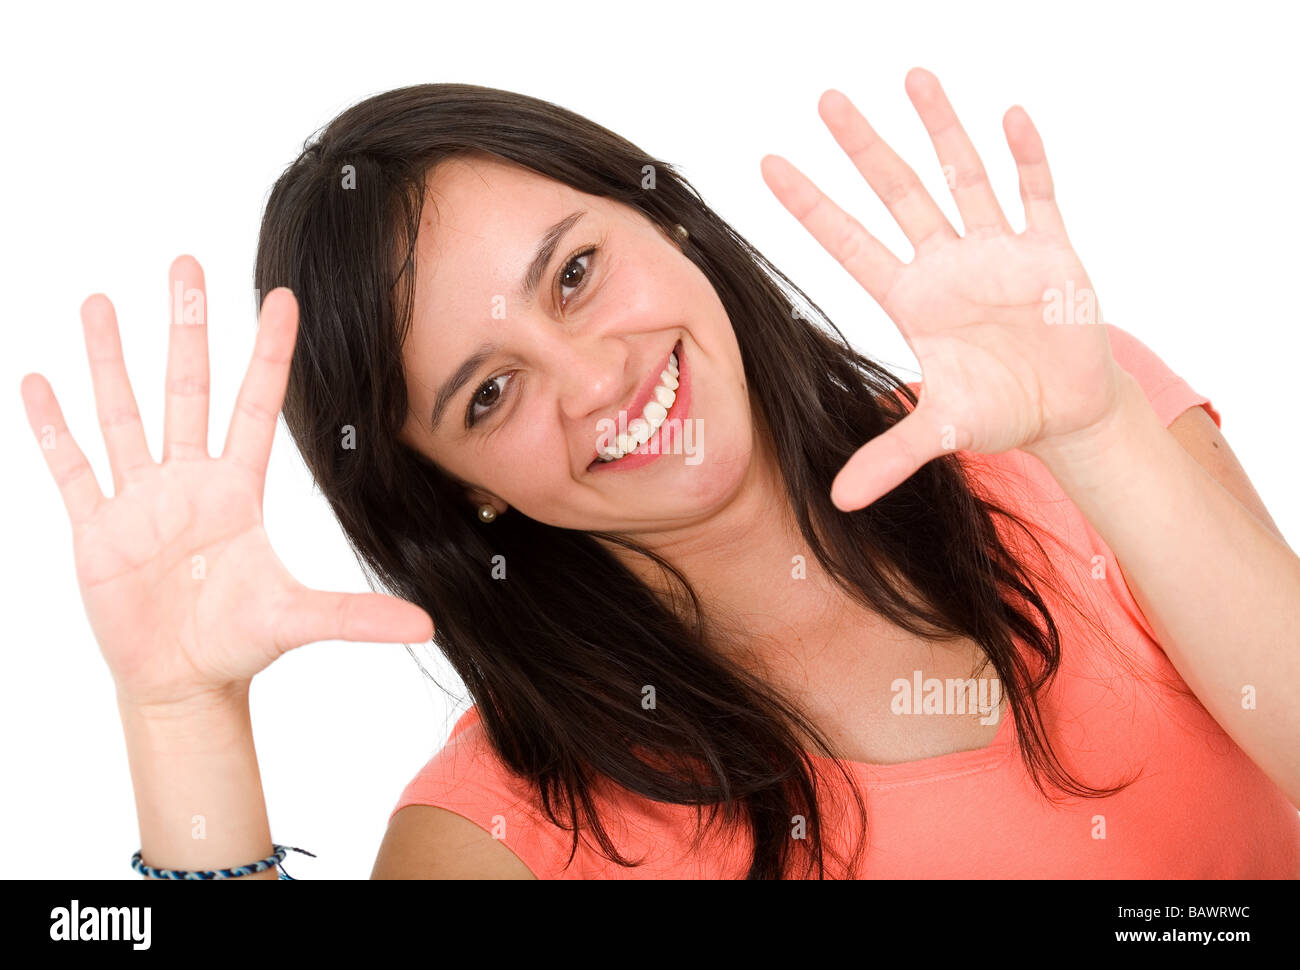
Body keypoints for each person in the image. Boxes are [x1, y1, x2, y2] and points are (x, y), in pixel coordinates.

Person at [21, 69, 1300, 880]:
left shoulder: (1073, 431)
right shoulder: (497, 835)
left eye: (574, 273)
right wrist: (182, 725)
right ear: (459, 487)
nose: (593, 379)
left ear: (663, 218)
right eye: (489, 391)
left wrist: (1099, 438)